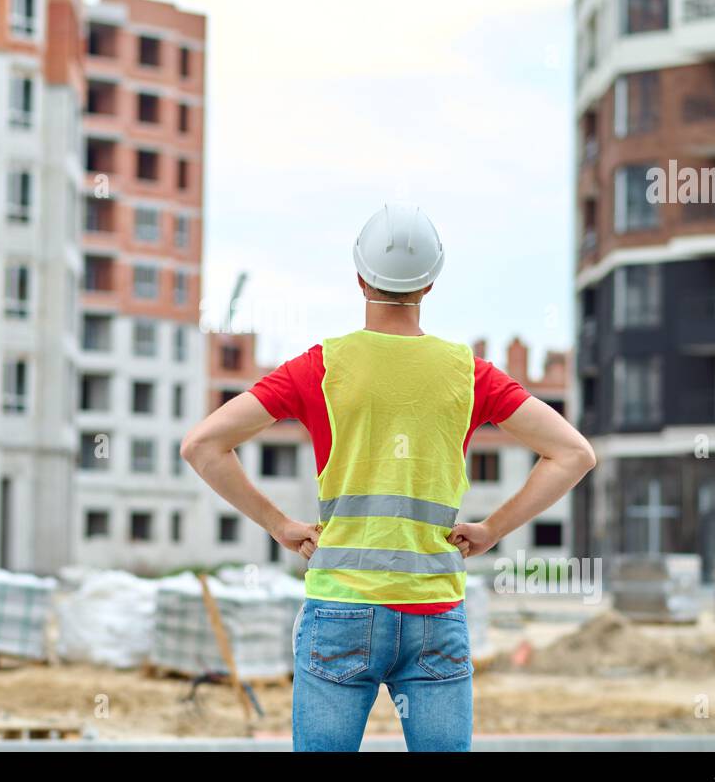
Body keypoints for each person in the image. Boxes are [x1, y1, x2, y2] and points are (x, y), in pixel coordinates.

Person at [180, 204, 596, 751]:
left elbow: (202, 444)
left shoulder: (321, 367)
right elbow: (573, 454)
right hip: (433, 615)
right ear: (429, 283)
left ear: (359, 277)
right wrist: (493, 529)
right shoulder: (467, 374)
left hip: (340, 611)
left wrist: (278, 523)